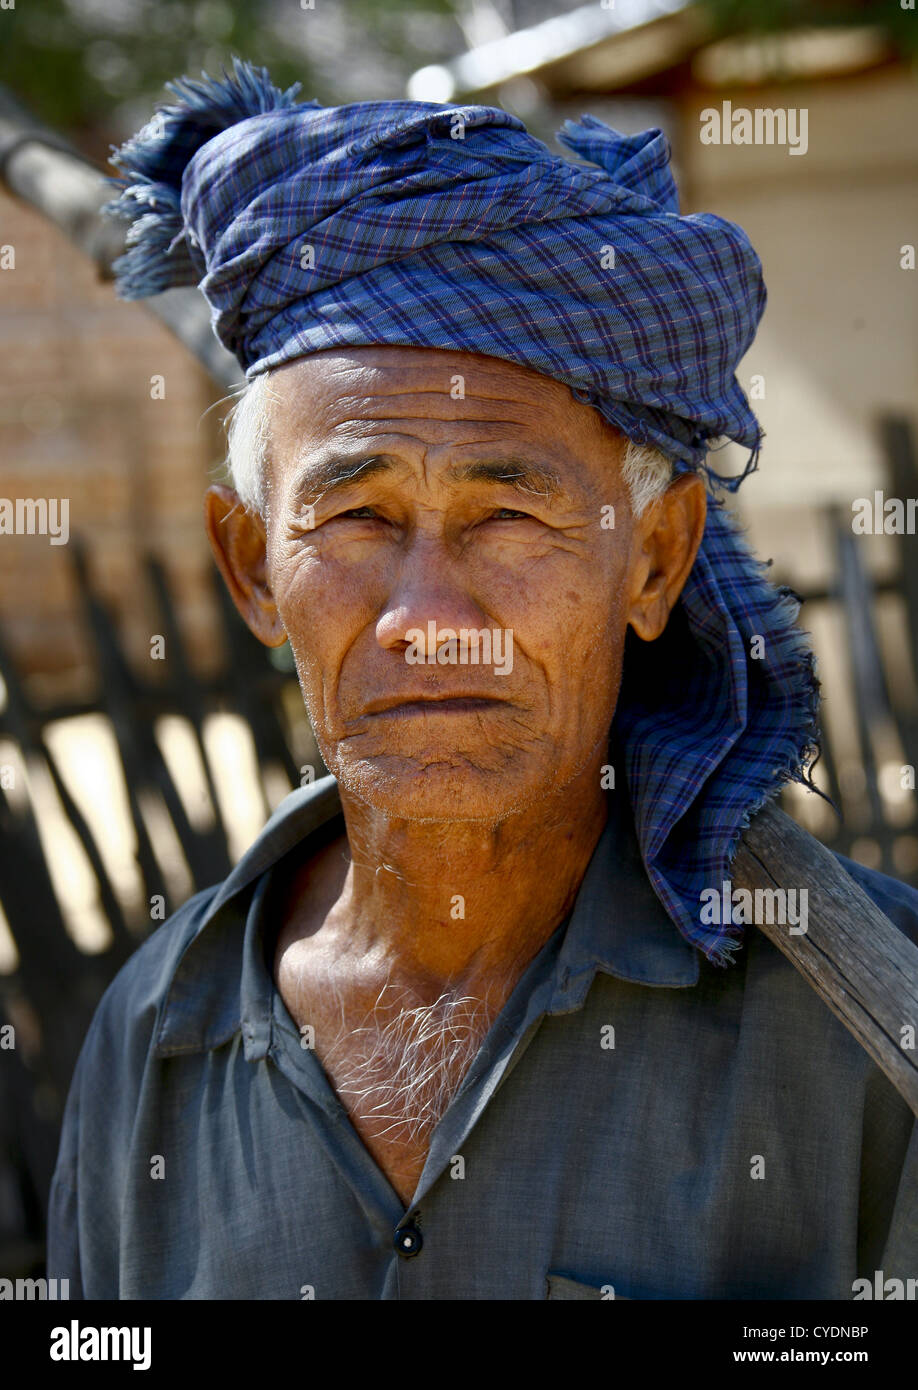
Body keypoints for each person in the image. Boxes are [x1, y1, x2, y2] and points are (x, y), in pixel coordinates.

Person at [46, 58, 917, 1300]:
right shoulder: (153, 1046)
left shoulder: (865, 1039)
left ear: (657, 559)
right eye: (355, 518)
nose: (429, 620)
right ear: (250, 570)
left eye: (511, 514)